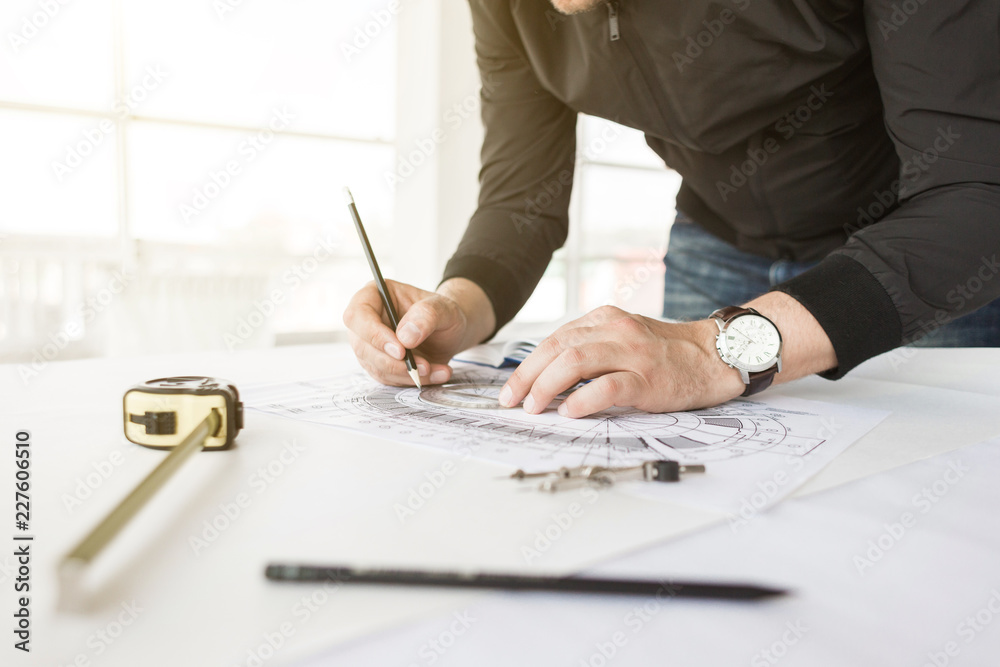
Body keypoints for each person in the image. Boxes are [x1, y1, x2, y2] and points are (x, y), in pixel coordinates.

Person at [343, 0, 1000, 418]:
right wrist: (456, 307)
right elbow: (521, 199)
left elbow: (976, 191)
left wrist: (714, 352)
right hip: (713, 245)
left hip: (915, 254)